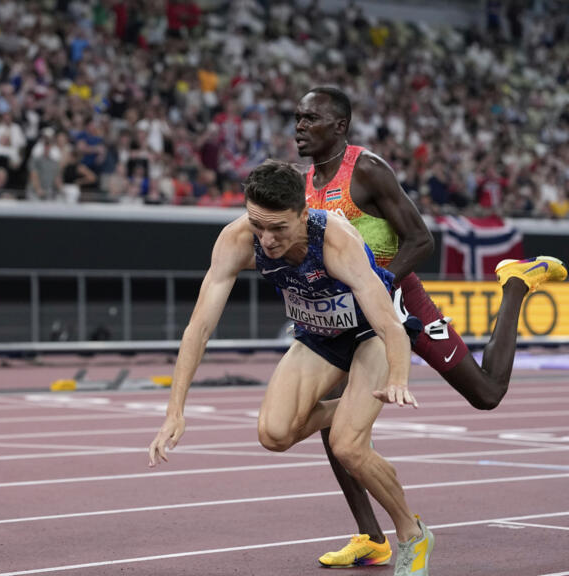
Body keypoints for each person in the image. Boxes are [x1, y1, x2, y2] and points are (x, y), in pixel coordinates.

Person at [295, 86, 568, 568]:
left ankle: (517, 284)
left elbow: (421, 240)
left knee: (485, 394)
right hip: (351, 317)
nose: (298, 125)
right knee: (333, 416)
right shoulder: (303, 184)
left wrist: (377, 290)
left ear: (338, 127)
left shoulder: (367, 170)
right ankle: (372, 537)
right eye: (296, 116)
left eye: (309, 118)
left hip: (400, 302)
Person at [149, 160, 435, 576]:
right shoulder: (237, 240)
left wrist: (398, 378)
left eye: (278, 228)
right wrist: (175, 410)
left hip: (371, 333)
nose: (266, 239)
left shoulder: (336, 241)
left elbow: (390, 325)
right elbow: (199, 328)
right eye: (257, 225)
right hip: (318, 335)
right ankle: (355, 408)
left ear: (304, 213)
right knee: (274, 434)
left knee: (348, 447)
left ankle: (412, 534)